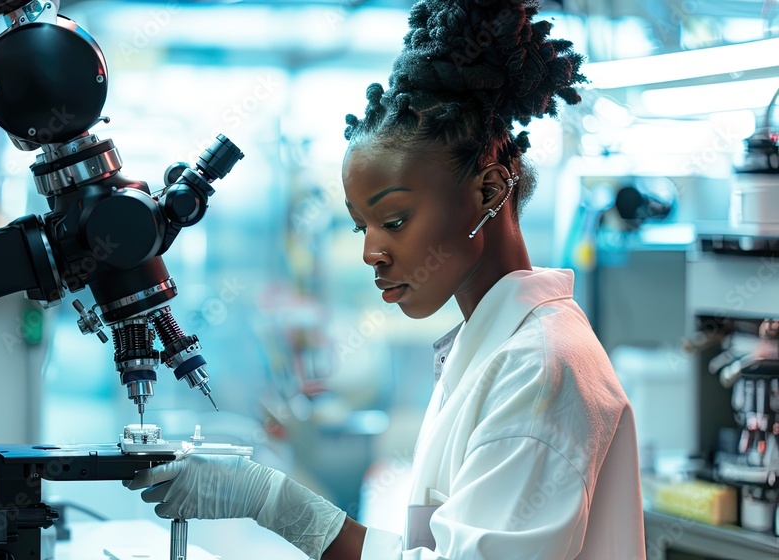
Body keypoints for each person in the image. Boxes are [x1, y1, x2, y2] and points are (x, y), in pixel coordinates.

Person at [126, 0, 647, 558]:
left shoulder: (538, 367)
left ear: (491, 191)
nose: (373, 251)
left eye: (394, 220)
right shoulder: (490, 349)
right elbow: (439, 548)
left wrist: (275, 502)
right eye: (361, 228)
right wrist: (268, 499)